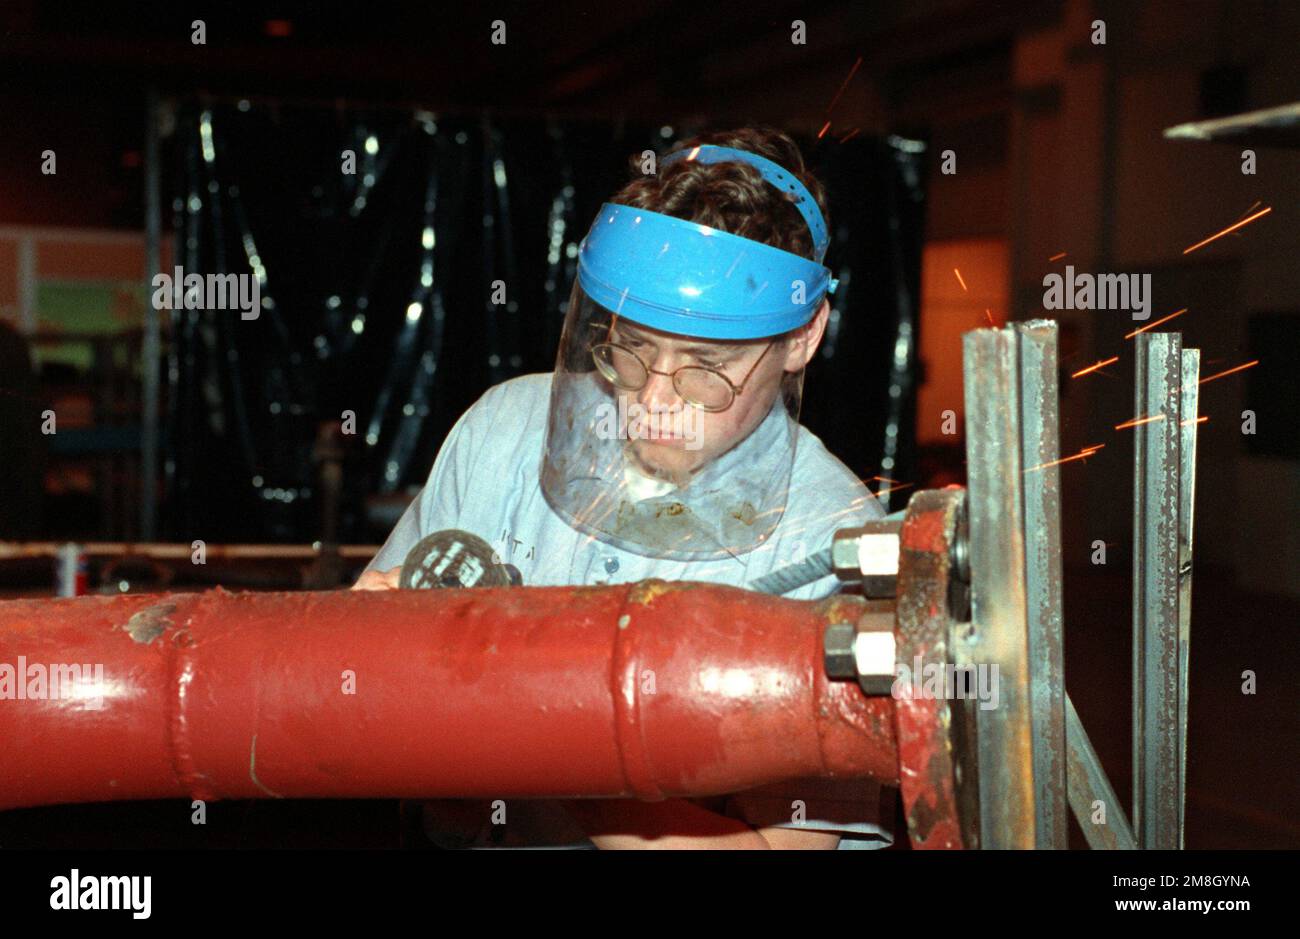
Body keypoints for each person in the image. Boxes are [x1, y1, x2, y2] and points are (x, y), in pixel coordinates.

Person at [355, 126, 890, 849]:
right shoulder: (502, 431)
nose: (654, 401)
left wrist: (545, 733)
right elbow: (391, 752)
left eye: (705, 366)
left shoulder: (836, 540)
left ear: (802, 336)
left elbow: (777, 846)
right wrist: (378, 662)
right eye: (630, 350)